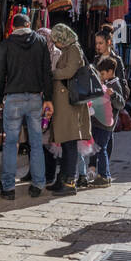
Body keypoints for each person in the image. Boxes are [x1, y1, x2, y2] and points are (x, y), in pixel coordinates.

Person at [0, 11, 54, 201]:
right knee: (36, 143)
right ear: (28, 24)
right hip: (35, 98)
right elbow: (46, 72)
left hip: (13, 99)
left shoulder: (6, 45)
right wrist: (48, 98)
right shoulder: (41, 42)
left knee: (11, 143)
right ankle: (38, 184)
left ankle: (9, 188)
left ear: (14, 26)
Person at [47, 22, 91, 195]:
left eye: (57, 40)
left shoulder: (73, 49)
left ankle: (70, 182)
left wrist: (51, 74)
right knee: (65, 143)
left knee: (70, 142)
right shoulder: (69, 49)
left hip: (70, 105)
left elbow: (69, 71)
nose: (55, 43)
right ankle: (63, 178)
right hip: (65, 104)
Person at [90, 54, 125, 186]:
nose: (101, 76)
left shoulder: (115, 84)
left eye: (103, 74)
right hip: (98, 121)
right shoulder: (103, 83)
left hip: (106, 123)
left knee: (101, 148)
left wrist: (114, 95)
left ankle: (104, 176)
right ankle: (103, 174)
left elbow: (121, 104)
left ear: (110, 72)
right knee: (99, 147)